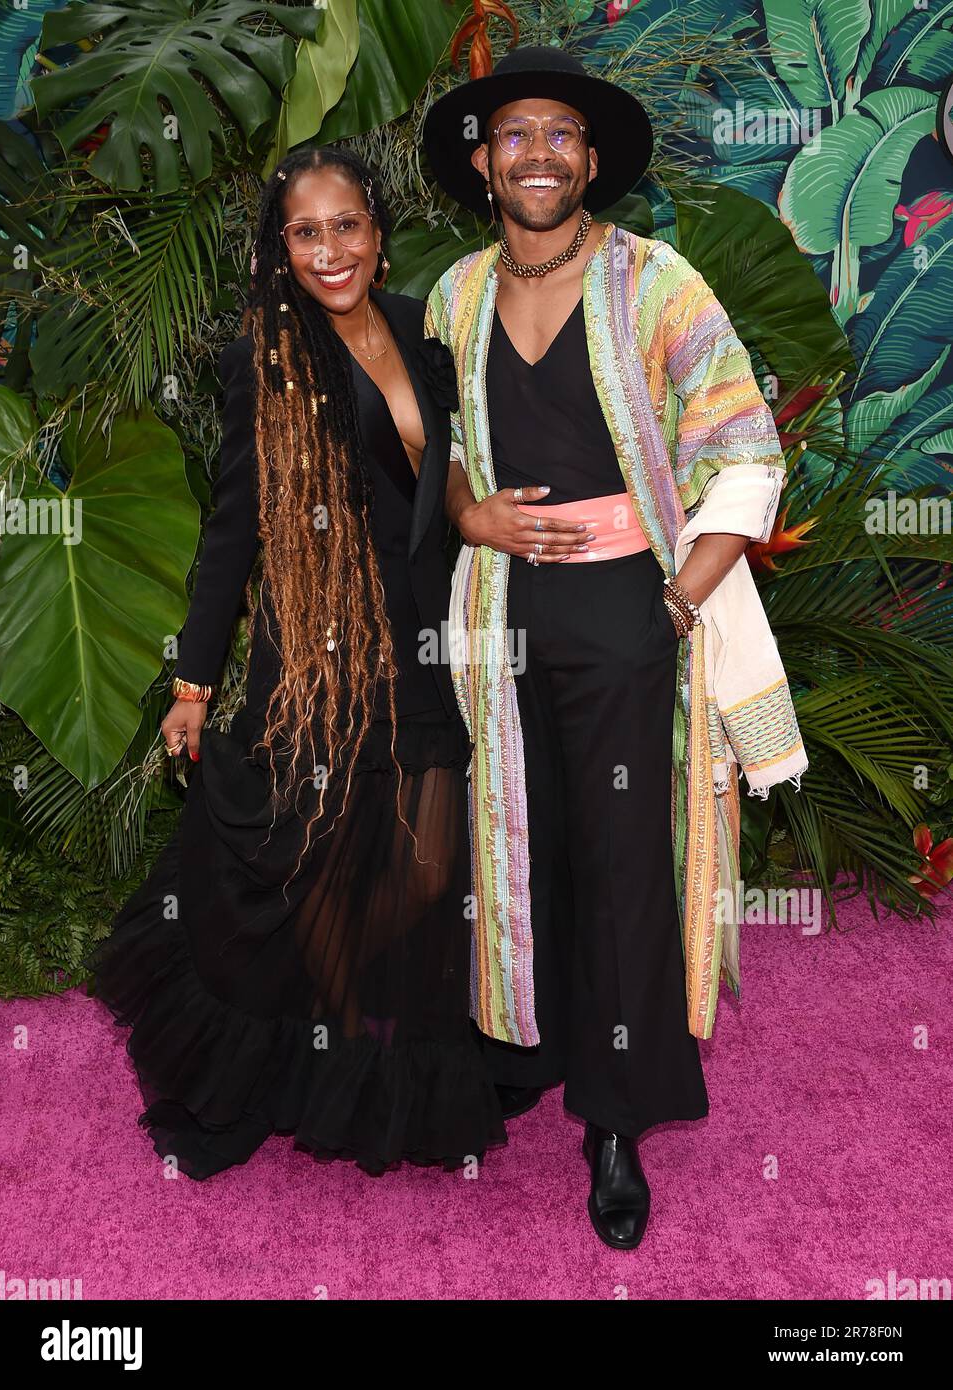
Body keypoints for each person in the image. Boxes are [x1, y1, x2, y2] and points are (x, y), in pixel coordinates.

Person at [422, 46, 808, 1248]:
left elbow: (744, 450)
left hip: (626, 620)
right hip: (495, 619)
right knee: (513, 843)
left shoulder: (657, 283)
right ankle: (521, 1050)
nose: (537, 153)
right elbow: (433, 452)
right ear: (483, 163)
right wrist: (469, 517)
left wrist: (675, 606)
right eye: (514, 134)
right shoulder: (453, 296)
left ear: (590, 161)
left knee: (621, 862)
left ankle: (614, 1116)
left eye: (560, 134)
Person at [85, 145, 507, 1179]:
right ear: (281, 248)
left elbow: (447, 468)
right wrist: (193, 680)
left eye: (346, 224)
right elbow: (233, 528)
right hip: (319, 651)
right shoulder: (263, 361)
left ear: (377, 231)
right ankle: (267, 1082)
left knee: (420, 869)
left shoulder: (418, 328)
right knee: (303, 864)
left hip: (423, 640)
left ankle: (362, 1073)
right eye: (306, 231)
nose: (330, 250)